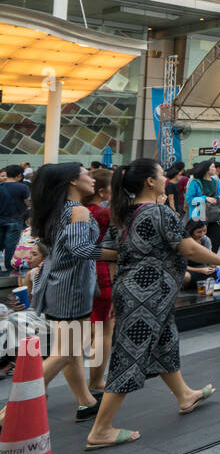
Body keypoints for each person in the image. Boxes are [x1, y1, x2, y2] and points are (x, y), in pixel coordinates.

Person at [83, 158, 220, 449]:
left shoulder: (124, 212)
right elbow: (188, 246)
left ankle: (185, 395)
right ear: (150, 182)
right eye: (161, 175)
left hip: (139, 293)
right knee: (130, 356)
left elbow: (111, 253)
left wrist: (119, 290)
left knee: (165, 342)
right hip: (149, 295)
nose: (166, 178)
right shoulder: (158, 212)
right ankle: (100, 429)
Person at [1, 164, 119, 429]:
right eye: (85, 174)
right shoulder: (77, 210)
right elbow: (80, 248)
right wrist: (118, 254)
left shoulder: (58, 209)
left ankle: (86, 402)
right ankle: (9, 412)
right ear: (72, 182)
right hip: (71, 288)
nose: (90, 177)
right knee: (67, 352)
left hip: (57, 285)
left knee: (70, 351)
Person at [85, 168, 116, 393]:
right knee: (104, 328)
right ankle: (95, 381)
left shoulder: (70, 210)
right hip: (97, 272)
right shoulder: (101, 214)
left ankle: (82, 392)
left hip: (70, 277)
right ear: (103, 192)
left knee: (73, 336)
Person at [185, 160, 220, 252]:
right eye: (213, 167)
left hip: (214, 215)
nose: (215, 169)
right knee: (199, 240)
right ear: (206, 169)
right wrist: (204, 198)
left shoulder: (215, 181)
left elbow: (217, 195)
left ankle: (211, 258)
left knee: (217, 239)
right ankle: (201, 260)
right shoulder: (195, 182)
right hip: (199, 215)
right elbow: (189, 199)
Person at [0, 164, 31, 271]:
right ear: (18, 175)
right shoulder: (23, 187)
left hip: (1, 218)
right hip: (15, 219)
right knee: (11, 245)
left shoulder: (1, 186)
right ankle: (9, 267)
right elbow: (27, 203)